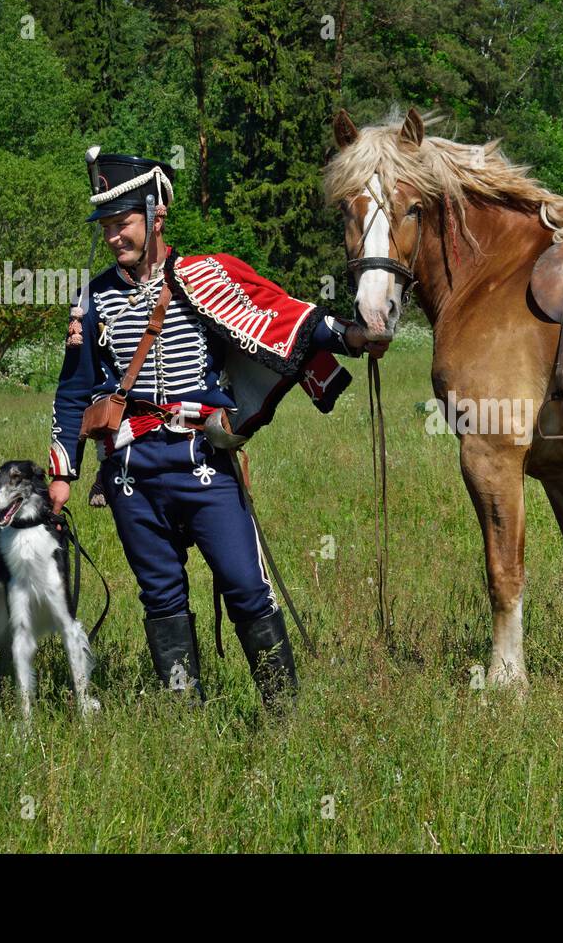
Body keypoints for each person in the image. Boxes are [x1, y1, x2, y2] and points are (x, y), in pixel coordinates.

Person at [48, 149, 386, 708]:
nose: (112, 237)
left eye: (122, 222)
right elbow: (72, 391)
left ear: (156, 215)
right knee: (160, 597)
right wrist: (64, 472)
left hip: (201, 458)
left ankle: (284, 714)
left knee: (246, 586)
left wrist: (352, 335)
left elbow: (284, 315)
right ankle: (186, 721)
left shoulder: (208, 277)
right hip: (130, 470)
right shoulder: (94, 300)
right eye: (106, 227)